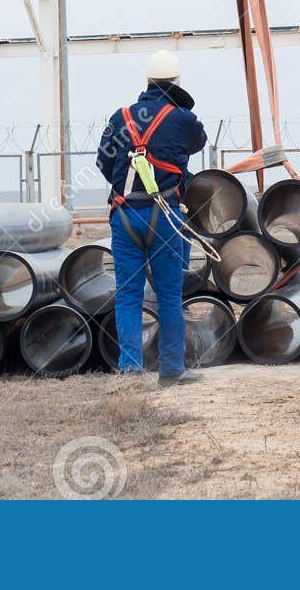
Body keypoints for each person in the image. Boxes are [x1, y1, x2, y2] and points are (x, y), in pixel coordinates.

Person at [96, 50, 207, 387]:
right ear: (176, 83)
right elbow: (198, 142)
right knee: (169, 295)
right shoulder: (181, 117)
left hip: (125, 216)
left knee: (128, 294)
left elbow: (103, 163)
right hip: (166, 217)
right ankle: (172, 370)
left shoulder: (121, 117)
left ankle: (130, 369)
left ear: (146, 82)